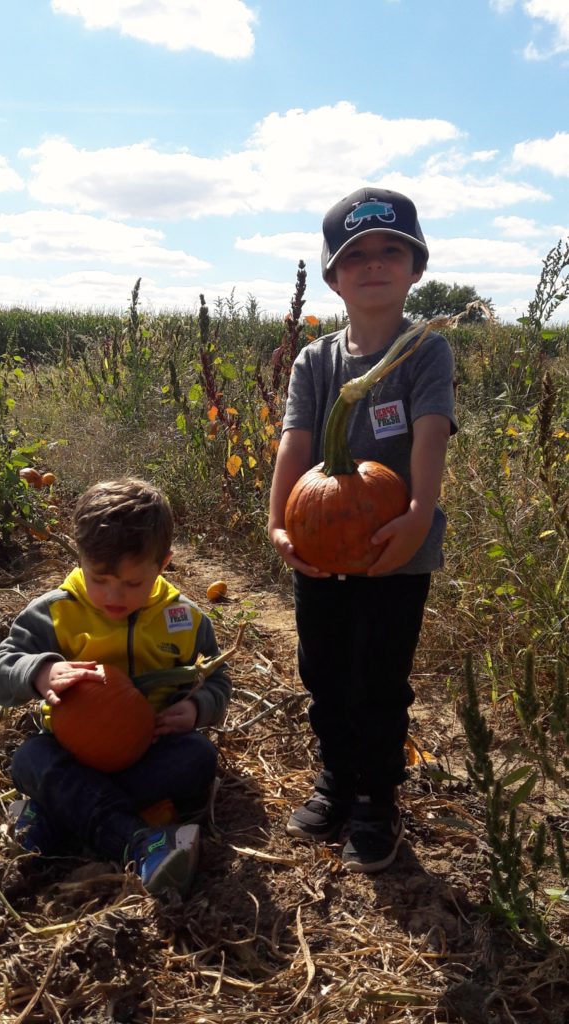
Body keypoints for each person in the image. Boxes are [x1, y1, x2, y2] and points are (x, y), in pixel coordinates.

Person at [269, 187, 457, 873]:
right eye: (357, 255)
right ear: (333, 274)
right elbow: (295, 443)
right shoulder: (316, 362)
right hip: (319, 548)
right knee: (324, 671)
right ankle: (336, 780)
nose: (374, 265)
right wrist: (278, 522)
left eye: (390, 251)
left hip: (396, 554)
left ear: (414, 267)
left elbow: (432, 434)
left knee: (380, 679)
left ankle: (378, 797)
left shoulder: (425, 351)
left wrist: (417, 514)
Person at [0, 477, 231, 896]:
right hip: (72, 752)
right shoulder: (55, 612)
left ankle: (56, 818)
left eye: (134, 583)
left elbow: (219, 679)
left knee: (199, 757)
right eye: (100, 579)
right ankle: (139, 841)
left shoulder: (184, 619)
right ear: (80, 558)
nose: (115, 595)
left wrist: (197, 708)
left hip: (147, 753)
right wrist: (39, 672)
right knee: (30, 759)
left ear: (164, 563)